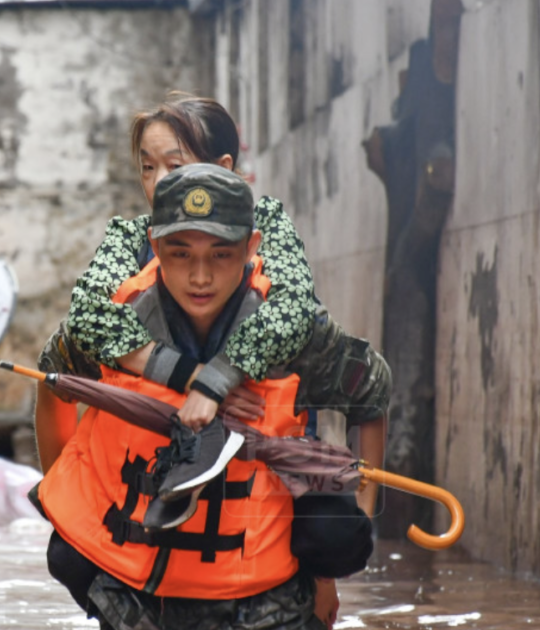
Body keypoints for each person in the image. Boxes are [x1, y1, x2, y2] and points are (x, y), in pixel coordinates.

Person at [36, 164, 376, 630]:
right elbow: (49, 377)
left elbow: (372, 391)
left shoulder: (294, 329)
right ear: (155, 248)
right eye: (180, 254)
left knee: (337, 531)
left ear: (251, 248)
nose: (200, 277)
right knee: (68, 549)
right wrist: (63, 498)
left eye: (220, 255)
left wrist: (331, 569)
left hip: (262, 589)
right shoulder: (113, 320)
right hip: (135, 582)